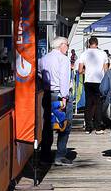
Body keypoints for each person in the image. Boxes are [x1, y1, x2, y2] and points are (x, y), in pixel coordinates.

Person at [40, 37, 76, 166]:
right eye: (67, 44)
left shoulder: (44, 58)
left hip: (47, 93)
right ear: (61, 45)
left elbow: (39, 74)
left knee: (47, 125)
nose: (67, 47)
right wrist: (65, 97)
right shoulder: (63, 59)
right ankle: (60, 155)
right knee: (65, 125)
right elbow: (64, 79)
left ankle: (44, 155)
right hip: (60, 95)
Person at [78, 36, 107, 134]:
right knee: (98, 104)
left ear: (89, 44)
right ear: (97, 44)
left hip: (88, 81)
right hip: (100, 81)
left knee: (88, 104)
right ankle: (98, 127)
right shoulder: (103, 53)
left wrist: (86, 71)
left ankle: (88, 127)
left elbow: (80, 70)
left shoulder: (84, 53)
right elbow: (106, 70)